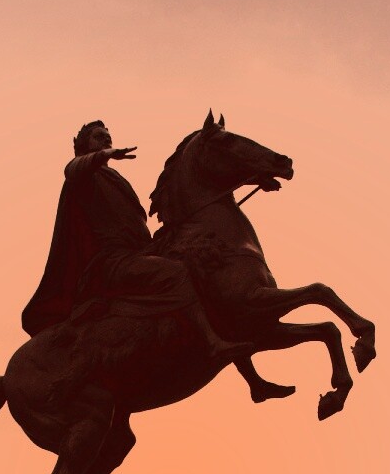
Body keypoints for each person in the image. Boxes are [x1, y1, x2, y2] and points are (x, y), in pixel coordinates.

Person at [23, 120, 252, 366]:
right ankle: (213, 343)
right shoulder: (83, 175)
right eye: (99, 137)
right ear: (83, 144)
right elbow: (72, 169)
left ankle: (251, 375)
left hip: (137, 253)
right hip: (113, 262)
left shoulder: (113, 177)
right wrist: (105, 154)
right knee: (177, 274)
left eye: (107, 137)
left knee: (202, 270)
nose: (106, 140)